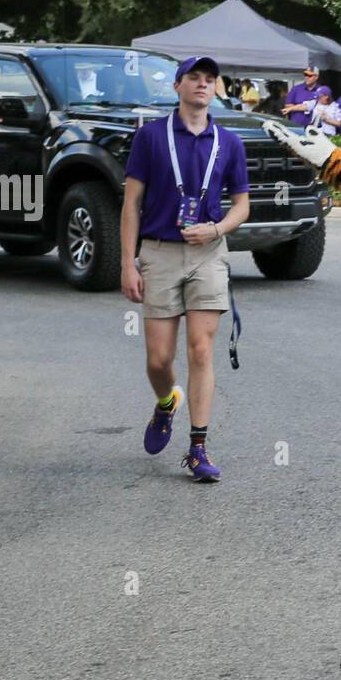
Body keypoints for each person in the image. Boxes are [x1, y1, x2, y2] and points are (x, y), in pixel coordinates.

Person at [119, 56, 250, 482]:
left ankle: (198, 448)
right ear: (177, 86)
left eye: (209, 80)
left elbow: (242, 206)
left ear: (215, 90)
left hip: (209, 254)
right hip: (159, 252)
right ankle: (165, 403)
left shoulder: (228, 142)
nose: (202, 84)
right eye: (194, 77)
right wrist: (128, 263)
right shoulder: (152, 137)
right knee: (159, 358)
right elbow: (131, 204)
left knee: (200, 349)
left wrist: (217, 229)